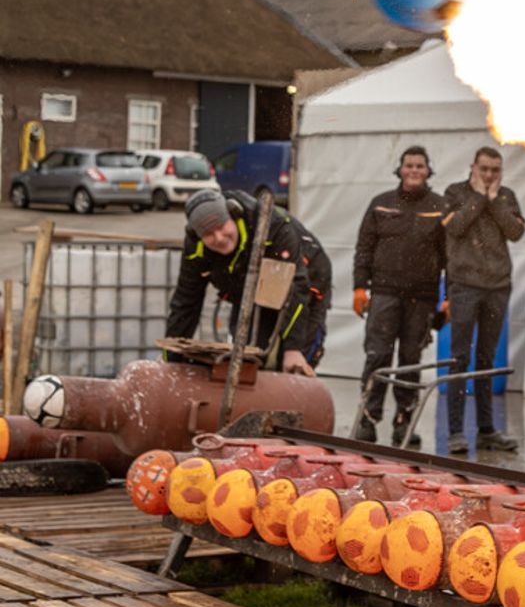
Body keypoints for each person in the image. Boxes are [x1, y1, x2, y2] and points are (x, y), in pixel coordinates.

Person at [165, 188, 329, 373]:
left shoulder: (270, 226)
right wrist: (170, 358)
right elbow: (185, 301)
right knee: (248, 362)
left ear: (233, 214)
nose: (218, 238)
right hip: (248, 290)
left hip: (305, 283)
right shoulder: (196, 249)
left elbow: (297, 287)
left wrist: (293, 349)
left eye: (221, 227)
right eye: (209, 234)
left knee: (292, 363)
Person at [351, 145, 447, 446]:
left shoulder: (441, 206)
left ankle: (403, 421)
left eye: (420, 166)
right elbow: (364, 248)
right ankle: (368, 418)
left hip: (422, 298)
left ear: (428, 170)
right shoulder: (380, 204)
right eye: (409, 165)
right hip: (384, 294)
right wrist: (358, 287)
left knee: (410, 358)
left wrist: (449, 298)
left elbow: (450, 257)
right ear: (400, 170)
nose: (415, 170)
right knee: (377, 355)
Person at [442, 146, 525, 455]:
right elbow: (454, 227)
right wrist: (478, 198)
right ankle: (455, 431)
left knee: (486, 360)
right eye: (484, 169)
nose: (489, 175)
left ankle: (487, 430)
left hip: (497, 287)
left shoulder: (506, 196)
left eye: (495, 170)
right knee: (459, 359)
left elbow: (516, 232)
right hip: (464, 286)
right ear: (473, 167)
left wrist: (492, 201)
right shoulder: (454, 193)